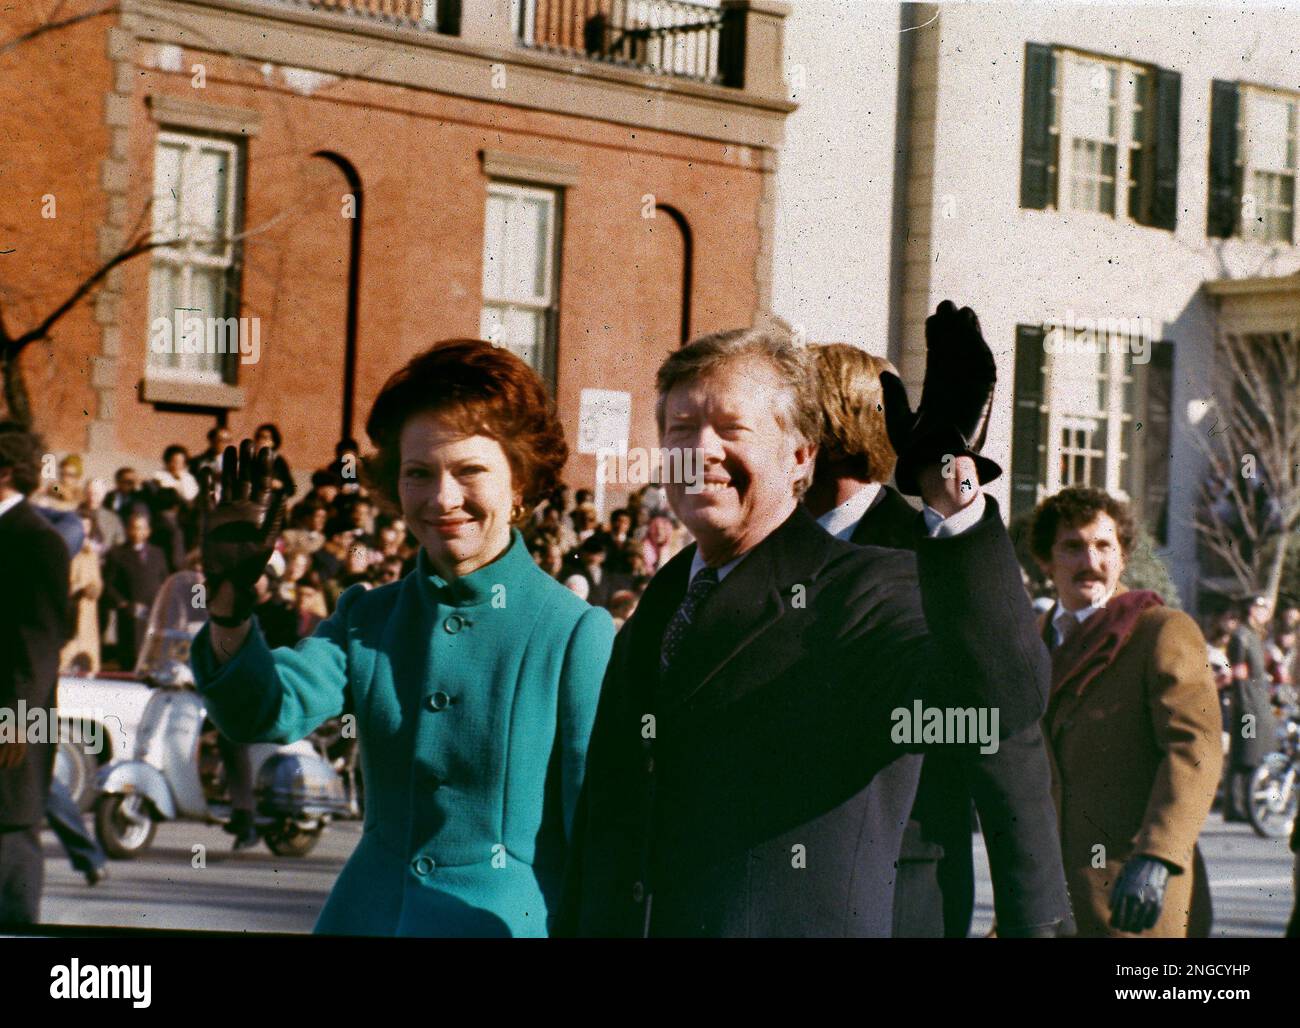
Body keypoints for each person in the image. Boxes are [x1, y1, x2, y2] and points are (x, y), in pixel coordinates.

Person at [557, 302, 1051, 937]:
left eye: (731, 427)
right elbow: (609, 812)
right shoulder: (669, 591)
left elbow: (998, 699)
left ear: (800, 457)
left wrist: (949, 489)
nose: (700, 450)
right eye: (680, 428)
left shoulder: (866, 589)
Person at [191, 339, 615, 936]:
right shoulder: (367, 619)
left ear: (519, 483)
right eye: (419, 474)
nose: (442, 498)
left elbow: (598, 840)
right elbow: (261, 712)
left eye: (470, 471)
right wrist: (230, 598)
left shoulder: (573, 634)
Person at [802, 343, 1070, 938]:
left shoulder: (936, 552)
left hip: (902, 893)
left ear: (828, 429)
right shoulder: (761, 552)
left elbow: (1004, 743)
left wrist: (1038, 920)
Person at [1030, 486, 1222, 937]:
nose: (1090, 562)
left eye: (1104, 546)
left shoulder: (1161, 630)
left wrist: (1158, 855)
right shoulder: (1032, 639)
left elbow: (1195, 749)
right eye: (1072, 547)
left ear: (1122, 555)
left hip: (1135, 896)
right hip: (1049, 898)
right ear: (1045, 560)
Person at [0, 422, 72, 925]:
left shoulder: (37, 540)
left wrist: (18, 720)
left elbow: (40, 642)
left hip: (11, 725)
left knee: (9, 841)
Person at [1226, 596, 1278, 822]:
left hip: (1259, 703)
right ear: (1250, 609)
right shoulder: (1241, 637)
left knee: (1255, 753)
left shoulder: (1254, 636)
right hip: (1248, 707)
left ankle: (1247, 804)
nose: (1264, 611)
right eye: (1260, 607)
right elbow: (1238, 677)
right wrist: (1246, 707)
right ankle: (1237, 806)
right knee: (1244, 753)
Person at [101, 511, 169, 669]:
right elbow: (108, 585)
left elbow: (164, 581)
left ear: (148, 531)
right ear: (127, 530)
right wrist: (124, 604)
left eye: (141, 528)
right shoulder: (117, 554)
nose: (137, 532)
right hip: (130, 617)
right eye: (134, 528)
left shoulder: (157, 553)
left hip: (154, 614)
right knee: (131, 658)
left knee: (152, 655)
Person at [61, 512, 104, 675]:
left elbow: (97, 581)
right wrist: (76, 588)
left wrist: (94, 589)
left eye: (87, 526)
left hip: (86, 615)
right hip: (68, 614)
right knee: (65, 660)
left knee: (88, 665)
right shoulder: (64, 549)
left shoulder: (91, 553)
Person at [253, 422, 296, 499]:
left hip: (272, 504)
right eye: (258, 437)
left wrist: (279, 485)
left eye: (265, 438)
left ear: (273, 442)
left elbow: (291, 489)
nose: (260, 441)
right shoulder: (252, 459)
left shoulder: (279, 461)